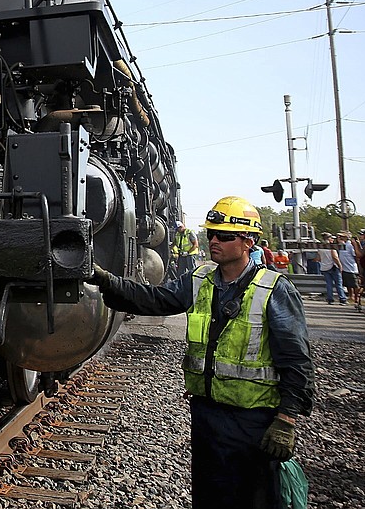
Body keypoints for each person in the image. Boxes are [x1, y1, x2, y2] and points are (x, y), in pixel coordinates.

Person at [88, 196, 314, 509]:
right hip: (207, 414)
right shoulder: (199, 281)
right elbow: (152, 300)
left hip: (253, 420)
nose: (213, 241)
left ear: (248, 241)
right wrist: (104, 280)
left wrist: (287, 419)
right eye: (211, 234)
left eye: (224, 235)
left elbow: (296, 360)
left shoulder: (274, 289)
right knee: (210, 495)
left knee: (255, 498)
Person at [317, 235, 346, 304]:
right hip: (333, 267)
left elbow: (318, 258)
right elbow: (335, 257)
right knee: (338, 284)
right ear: (328, 239)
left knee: (329, 284)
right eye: (331, 238)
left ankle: (330, 299)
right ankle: (342, 299)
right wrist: (340, 266)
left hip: (324, 267)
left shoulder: (320, 248)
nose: (333, 239)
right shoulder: (332, 247)